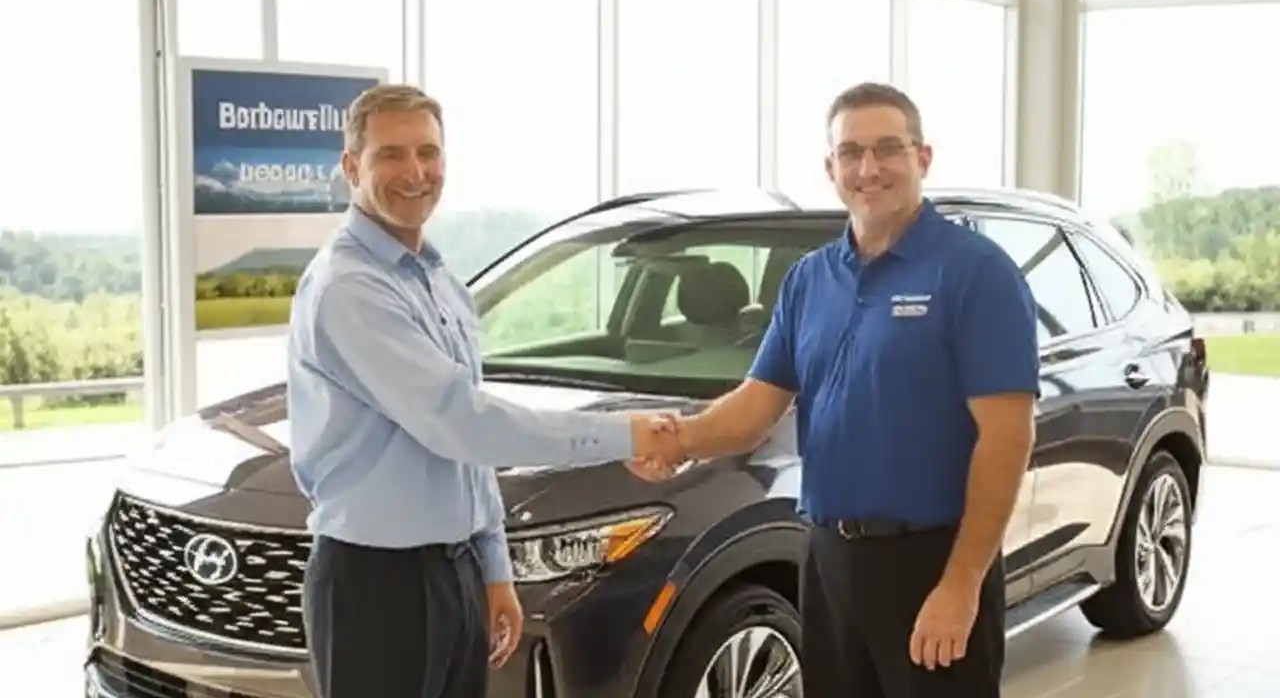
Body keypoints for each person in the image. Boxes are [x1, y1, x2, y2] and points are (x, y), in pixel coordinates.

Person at [285, 83, 679, 698]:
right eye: (391, 155)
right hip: (376, 585)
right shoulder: (349, 288)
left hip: (455, 571)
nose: (415, 172)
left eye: (428, 152)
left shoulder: (439, 281)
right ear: (351, 167)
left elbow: (467, 455)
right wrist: (626, 433)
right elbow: (464, 423)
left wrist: (493, 567)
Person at [651, 82, 1039, 696]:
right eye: (850, 152)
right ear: (830, 167)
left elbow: (1008, 436)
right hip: (828, 562)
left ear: (923, 158)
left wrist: (961, 584)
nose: (868, 168)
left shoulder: (975, 272)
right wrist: (676, 439)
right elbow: (755, 407)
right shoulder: (809, 280)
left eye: (888, 148)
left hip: (932, 562)